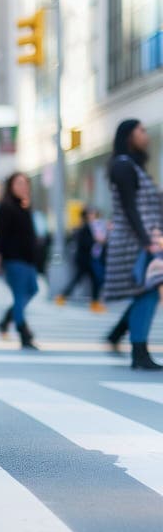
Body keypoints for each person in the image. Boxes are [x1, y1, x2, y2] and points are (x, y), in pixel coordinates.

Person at [103, 119, 163, 370]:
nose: (145, 134)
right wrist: (146, 240)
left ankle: (121, 335)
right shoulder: (124, 166)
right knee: (146, 292)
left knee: (145, 291)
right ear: (128, 136)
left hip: (142, 239)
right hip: (133, 242)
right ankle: (139, 353)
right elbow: (129, 208)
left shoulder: (133, 166)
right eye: (141, 130)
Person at [0, 173, 39, 350]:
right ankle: (23, 332)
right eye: (18, 183)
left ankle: (6, 320)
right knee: (19, 295)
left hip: (28, 259)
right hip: (14, 259)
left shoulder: (24, 205)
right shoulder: (5, 206)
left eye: (25, 183)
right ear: (10, 186)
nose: (22, 186)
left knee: (33, 289)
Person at [55, 207, 106, 312]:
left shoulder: (93, 227)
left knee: (91, 280)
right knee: (84, 280)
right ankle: (62, 296)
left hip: (90, 259)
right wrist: (95, 240)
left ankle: (93, 303)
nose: (93, 216)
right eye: (91, 214)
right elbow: (84, 243)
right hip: (84, 260)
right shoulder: (84, 227)